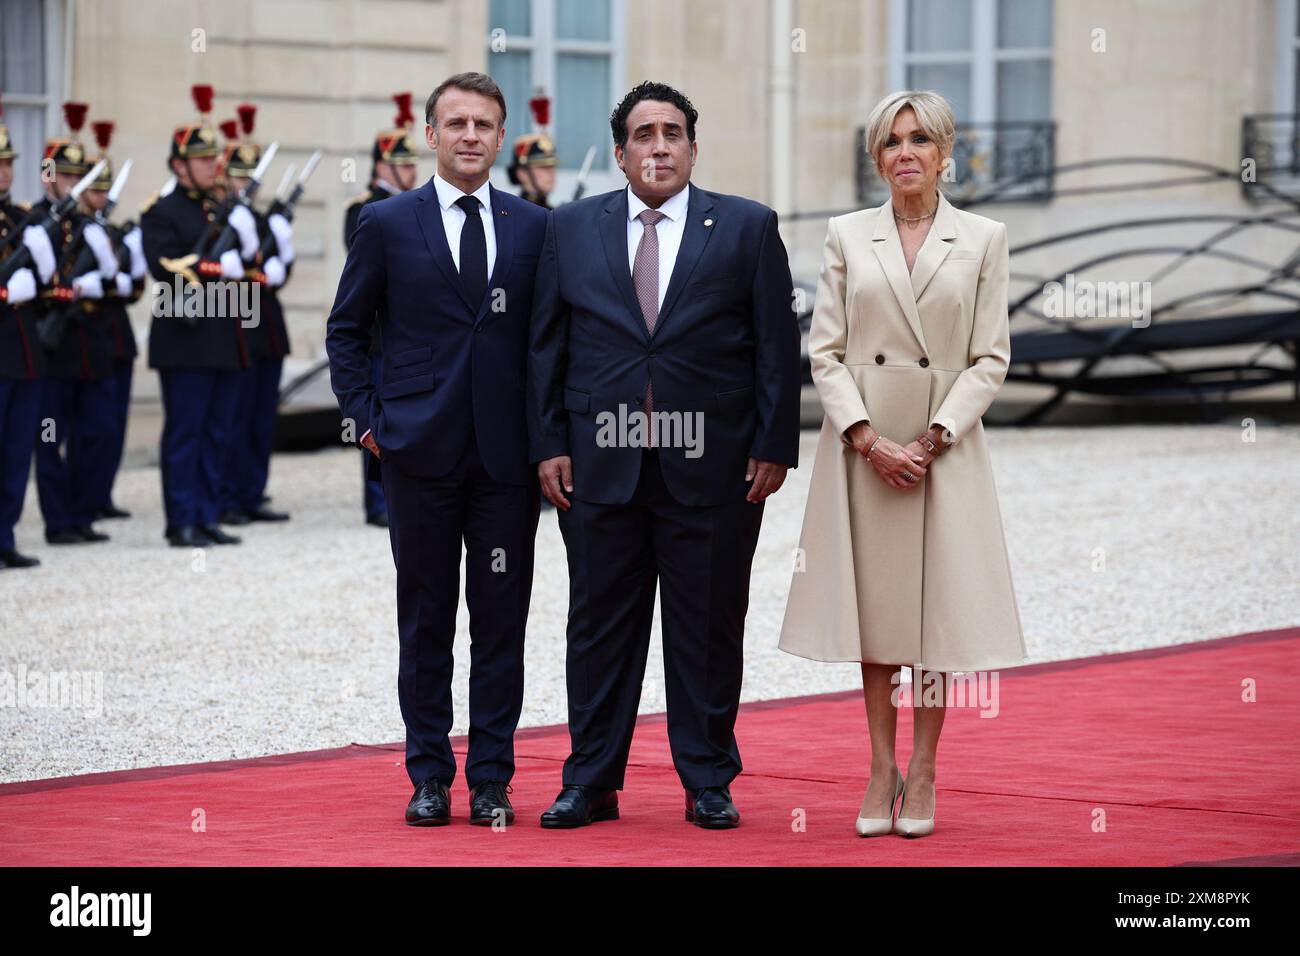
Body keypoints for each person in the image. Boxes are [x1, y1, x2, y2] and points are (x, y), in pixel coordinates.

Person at [527, 81, 802, 829]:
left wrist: (775, 444)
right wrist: (548, 443)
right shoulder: (572, 229)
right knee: (597, 630)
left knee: (707, 628)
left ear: (692, 146)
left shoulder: (745, 227)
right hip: (598, 467)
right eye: (643, 134)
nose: (658, 146)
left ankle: (707, 778)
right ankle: (591, 781)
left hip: (713, 470)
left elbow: (777, 348)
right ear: (619, 153)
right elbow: (547, 345)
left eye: (672, 133)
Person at [777, 90, 1029, 839]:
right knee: (880, 614)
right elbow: (822, 349)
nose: (907, 152)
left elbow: (991, 356)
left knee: (933, 615)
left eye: (921, 139)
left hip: (942, 451)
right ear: (876, 157)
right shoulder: (847, 235)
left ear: (946, 152)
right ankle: (880, 764)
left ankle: (924, 768)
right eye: (892, 142)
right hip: (865, 449)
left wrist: (934, 437)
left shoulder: (984, 238)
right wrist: (865, 437)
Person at [326, 72, 547, 827]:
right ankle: (428, 776)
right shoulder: (387, 224)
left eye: (484, 124)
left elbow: (548, 341)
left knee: (501, 621)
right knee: (425, 620)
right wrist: (368, 422)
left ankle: (491, 777)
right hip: (417, 454)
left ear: (501, 135)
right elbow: (347, 331)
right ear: (431, 133)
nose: (470, 136)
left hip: (507, 463)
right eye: (456, 123)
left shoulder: (533, 226)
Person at [142, 84, 252, 548]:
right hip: (183, 338)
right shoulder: (161, 212)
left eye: (214, 158)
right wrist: (212, 265)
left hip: (222, 334)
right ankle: (180, 519)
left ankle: (207, 513)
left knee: (217, 431)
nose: (213, 166)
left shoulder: (220, 208)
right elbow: (163, 265)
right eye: (203, 159)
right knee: (185, 432)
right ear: (178, 165)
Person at [33, 104, 118, 547]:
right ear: (48, 177)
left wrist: (100, 277)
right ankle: (57, 519)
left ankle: (83, 512)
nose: (72, 183)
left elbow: (115, 279)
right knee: (50, 435)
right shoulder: (32, 223)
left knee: (97, 431)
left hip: (90, 342)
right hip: (52, 345)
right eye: (64, 176)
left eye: (76, 175)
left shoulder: (87, 225)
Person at [343, 91, 421, 530]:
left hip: (409, 335)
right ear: (381, 165)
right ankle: (377, 501)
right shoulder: (364, 210)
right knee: (377, 417)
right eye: (402, 163)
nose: (410, 170)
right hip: (378, 334)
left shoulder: (412, 209)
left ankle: (398, 496)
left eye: (412, 162)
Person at [214, 105, 291, 526]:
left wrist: (283, 257)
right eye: (239, 176)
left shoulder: (262, 219)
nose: (246, 184)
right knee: (233, 416)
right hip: (234, 322)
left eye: (250, 177)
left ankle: (252, 491)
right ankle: (226, 494)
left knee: (261, 417)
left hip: (267, 327)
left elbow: (278, 268)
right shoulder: (223, 218)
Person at [0, 99, 54, 569]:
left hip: (22, 353)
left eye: (8, 164)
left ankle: (5, 535)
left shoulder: (21, 220)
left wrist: (39, 269)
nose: (4, 173)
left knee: (17, 452)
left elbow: (51, 283)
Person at [85, 119, 146, 523]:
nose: (103, 196)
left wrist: (121, 274)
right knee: (84, 427)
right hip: (80, 336)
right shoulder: (76, 231)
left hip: (114, 336)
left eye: (106, 189)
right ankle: (80, 503)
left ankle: (100, 494)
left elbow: (134, 287)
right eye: (95, 188)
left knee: (111, 425)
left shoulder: (114, 232)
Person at [507, 133, 557, 209]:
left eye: (552, 166)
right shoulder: (513, 213)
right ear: (522, 174)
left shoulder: (554, 213)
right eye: (543, 167)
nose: (551, 172)